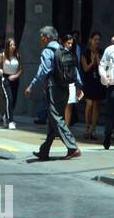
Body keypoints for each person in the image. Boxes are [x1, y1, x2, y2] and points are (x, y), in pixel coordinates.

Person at [28, 25, 82, 161]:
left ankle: (72, 147)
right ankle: (44, 151)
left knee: (56, 117)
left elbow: (44, 71)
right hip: (65, 87)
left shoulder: (47, 51)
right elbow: (74, 68)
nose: (40, 40)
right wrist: (79, 85)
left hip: (53, 88)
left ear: (46, 38)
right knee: (53, 119)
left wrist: (31, 85)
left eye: (41, 37)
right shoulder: (62, 48)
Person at [78, 32, 104, 140]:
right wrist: (92, 62)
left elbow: (103, 67)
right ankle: (87, 128)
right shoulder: (85, 53)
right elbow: (85, 69)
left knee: (97, 104)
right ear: (91, 40)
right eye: (95, 39)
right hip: (88, 81)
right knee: (89, 103)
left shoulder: (101, 52)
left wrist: (98, 60)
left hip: (98, 81)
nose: (97, 42)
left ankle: (94, 129)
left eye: (99, 40)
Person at [0, 37, 22, 129]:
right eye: (11, 45)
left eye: (14, 45)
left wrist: (16, 76)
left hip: (14, 79)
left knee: (13, 101)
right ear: (7, 46)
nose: (13, 47)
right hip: (5, 79)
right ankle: (11, 121)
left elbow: (21, 69)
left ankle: (6, 116)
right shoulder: (2, 55)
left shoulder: (17, 55)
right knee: (8, 99)